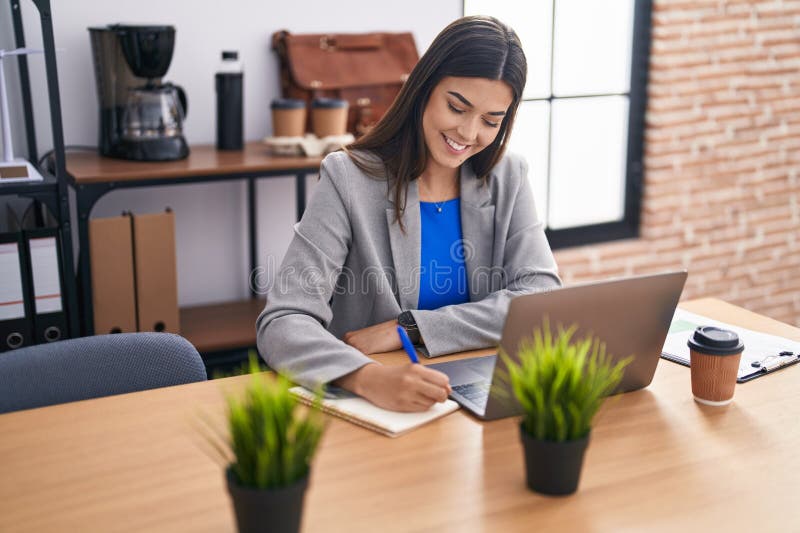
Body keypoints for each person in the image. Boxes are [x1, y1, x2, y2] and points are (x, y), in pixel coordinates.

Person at [257, 15, 561, 412]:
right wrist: (364, 376)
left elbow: (540, 298)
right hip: (378, 402)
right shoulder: (348, 178)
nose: (469, 134)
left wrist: (411, 329)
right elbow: (283, 320)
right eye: (457, 107)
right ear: (423, 89)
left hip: (471, 398)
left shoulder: (507, 175)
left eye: (491, 121)